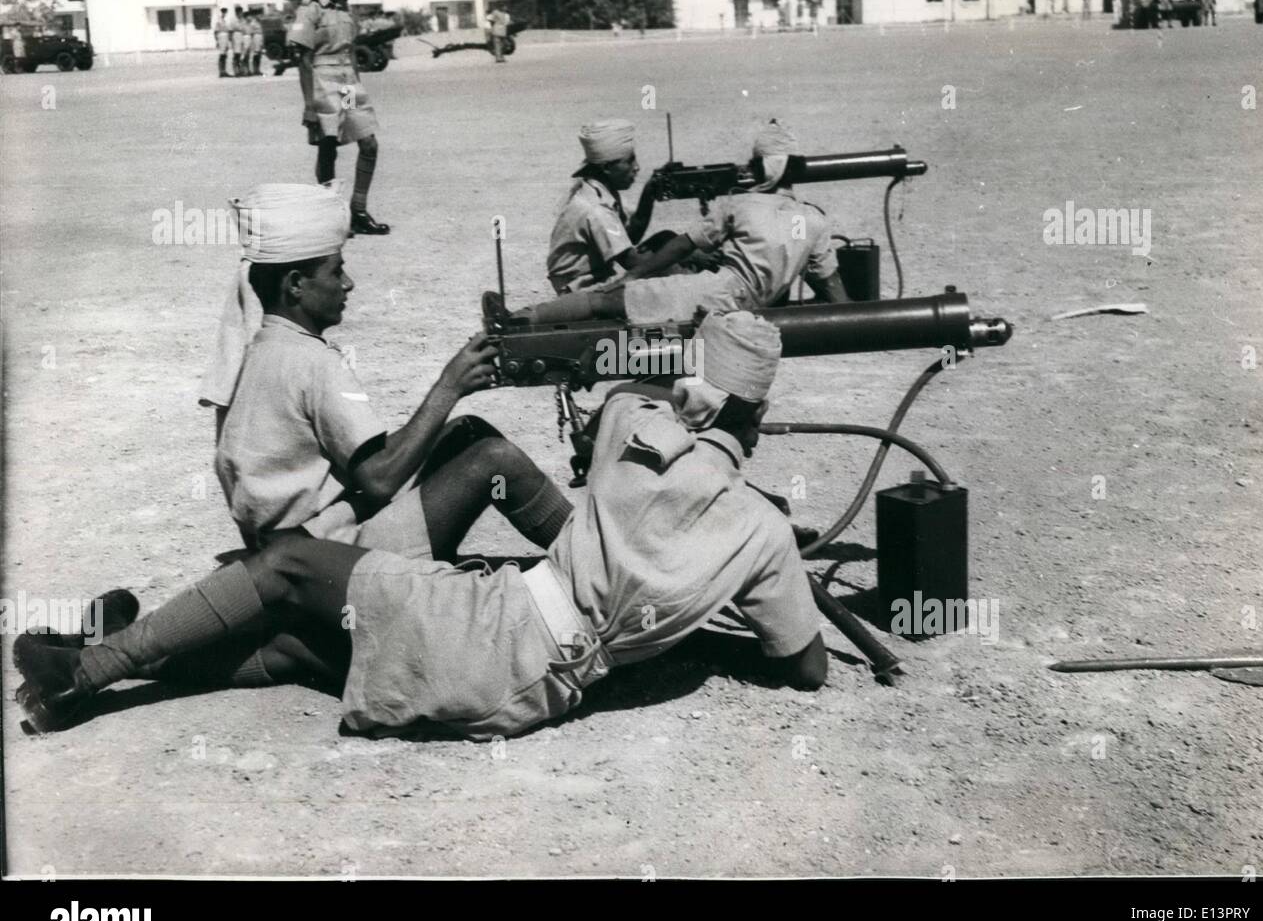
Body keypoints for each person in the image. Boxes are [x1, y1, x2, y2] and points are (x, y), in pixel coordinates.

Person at [14, 311, 826, 739]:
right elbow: (807, 669)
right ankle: (98, 671)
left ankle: (87, 670)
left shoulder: (628, 425)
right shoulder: (761, 533)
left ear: (687, 383)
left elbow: (617, 390)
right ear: (759, 411)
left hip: (499, 633)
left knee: (293, 563)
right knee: (296, 647)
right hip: (545, 685)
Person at [198, 183, 571, 558]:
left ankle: (586, 552)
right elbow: (379, 479)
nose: (348, 283)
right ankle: (596, 560)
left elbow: (362, 465)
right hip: (322, 558)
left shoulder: (262, 346)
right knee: (495, 458)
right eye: (336, 271)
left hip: (298, 542)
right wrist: (449, 386)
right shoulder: (314, 361)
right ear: (295, 284)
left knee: (465, 432)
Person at [492, 119, 850, 327]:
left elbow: (680, 244)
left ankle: (517, 320)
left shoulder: (739, 206)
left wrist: (632, 280)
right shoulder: (814, 221)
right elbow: (835, 297)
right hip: (744, 301)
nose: (635, 166)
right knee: (663, 269)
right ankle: (518, 319)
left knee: (611, 299)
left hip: (717, 295)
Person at [545, 119, 710, 298]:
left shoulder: (599, 191)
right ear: (607, 167)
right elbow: (633, 262)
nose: (637, 167)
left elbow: (630, 236)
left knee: (665, 238)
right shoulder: (596, 209)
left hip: (597, 277)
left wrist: (649, 194)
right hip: (581, 291)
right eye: (629, 161)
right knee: (675, 277)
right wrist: (686, 253)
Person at [288, 0, 388, 236]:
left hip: (347, 83)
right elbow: (304, 60)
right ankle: (329, 216)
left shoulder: (344, 8)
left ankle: (358, 210)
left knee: (368, 143)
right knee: (328, 148)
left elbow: (352, 50)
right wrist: (309, 105)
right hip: (322, 81)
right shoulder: (310, 9)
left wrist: (357, 86)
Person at [230, 6, 249, 76]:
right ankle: (236, 71)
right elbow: (230, 31)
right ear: (236, 12)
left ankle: (242, 70)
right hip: (236, 35)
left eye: (241, 12)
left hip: (242, 36)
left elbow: (245, 29)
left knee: (242, 54)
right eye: (239, 12)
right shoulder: (233, 20)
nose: (240, 14)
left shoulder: (243, 20)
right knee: (236, 54)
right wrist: (231, 40)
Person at [215, 6, 232, 78]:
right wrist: (217, 41)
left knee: (225, 54)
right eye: (223, 12)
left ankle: (224, 71)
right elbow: (215, 31)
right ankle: (221, 71)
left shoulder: (225, 21)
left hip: (225, 37)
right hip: (221, 37)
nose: (224, 14)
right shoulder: (218, 21)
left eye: (225, 13)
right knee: (222, 55)